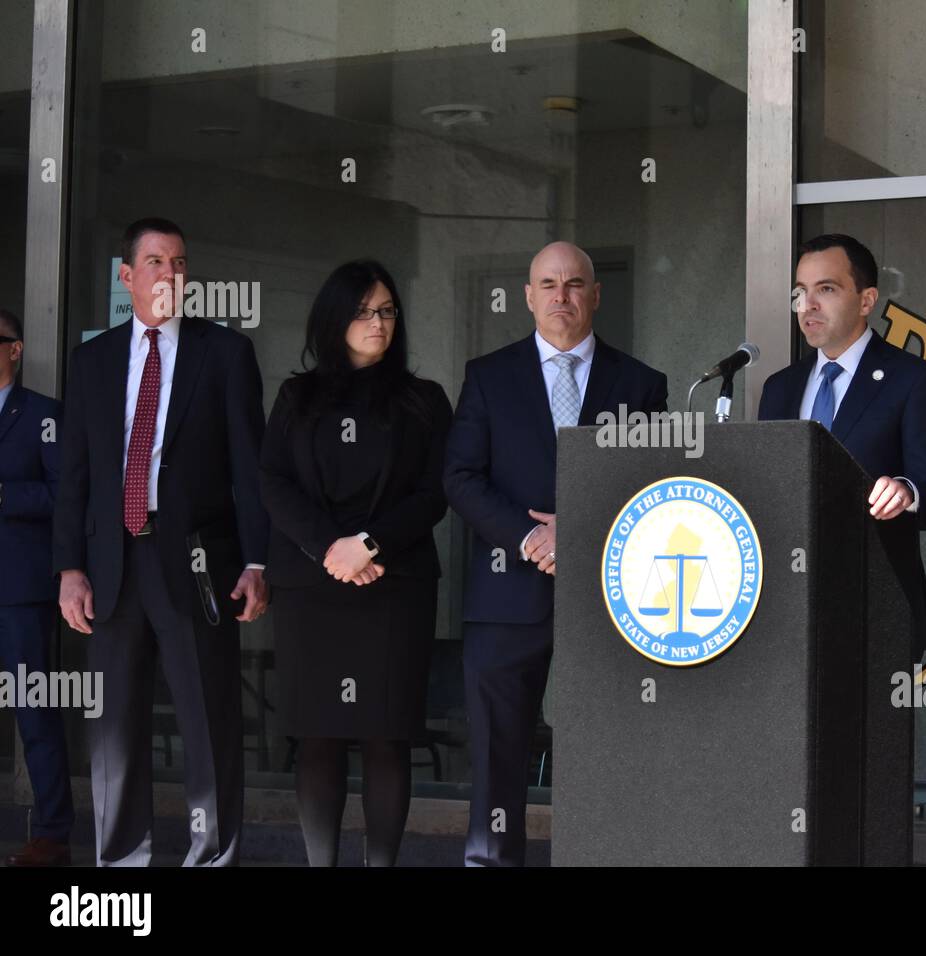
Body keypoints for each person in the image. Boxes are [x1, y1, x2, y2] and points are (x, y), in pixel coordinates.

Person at [52, 218, 270, 866]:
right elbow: (74, 475)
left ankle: (212, 856)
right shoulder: (93, 361)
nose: (169, 273)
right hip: (111, 563)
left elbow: (249, 467)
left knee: (208, 718)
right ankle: (121, 862)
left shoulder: (224, 353)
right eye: (155, 262)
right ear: (127, 276)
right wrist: (69, 568)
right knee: (113, 727)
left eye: (178, 263)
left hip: (198, 563)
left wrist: (256, 561)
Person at [444, 240, 668, 866]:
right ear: (528, 296)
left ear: (596, 295)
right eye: (548, 284)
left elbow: (653, 484)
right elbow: (459, 477)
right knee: (497, 756)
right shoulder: (488, 376)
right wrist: (530, 538)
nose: (561, 296)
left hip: (609, 599)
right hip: (506, 596)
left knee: (608, 752)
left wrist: (581, 530)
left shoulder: (642, 384)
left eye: (573, 284)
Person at [260, 260, 452, 866]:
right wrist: (331, 548)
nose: (379, 322)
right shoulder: (297, 397)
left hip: (394, 587)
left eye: (387, 311)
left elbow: (436, 492)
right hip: (311, 588)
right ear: (334, 319)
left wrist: (368, 545)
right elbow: (273, 483)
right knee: (317, 736)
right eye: (365, 311)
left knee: (386, 737)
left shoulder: (424, 400)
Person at [758, 233, 926, 659]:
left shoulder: (914, 380)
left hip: (875, 613)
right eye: (800, 292)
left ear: (867, 301)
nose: (808, 305)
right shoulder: (779, 388)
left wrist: (906, 492)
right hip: (784, 616)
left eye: (826, 289)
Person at [0, 309, 74, 866]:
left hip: (20, 591)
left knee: (34, 711)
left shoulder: (44, 415)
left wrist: (5, 494)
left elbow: (65, 495)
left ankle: (51, 834)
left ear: (15, 349)